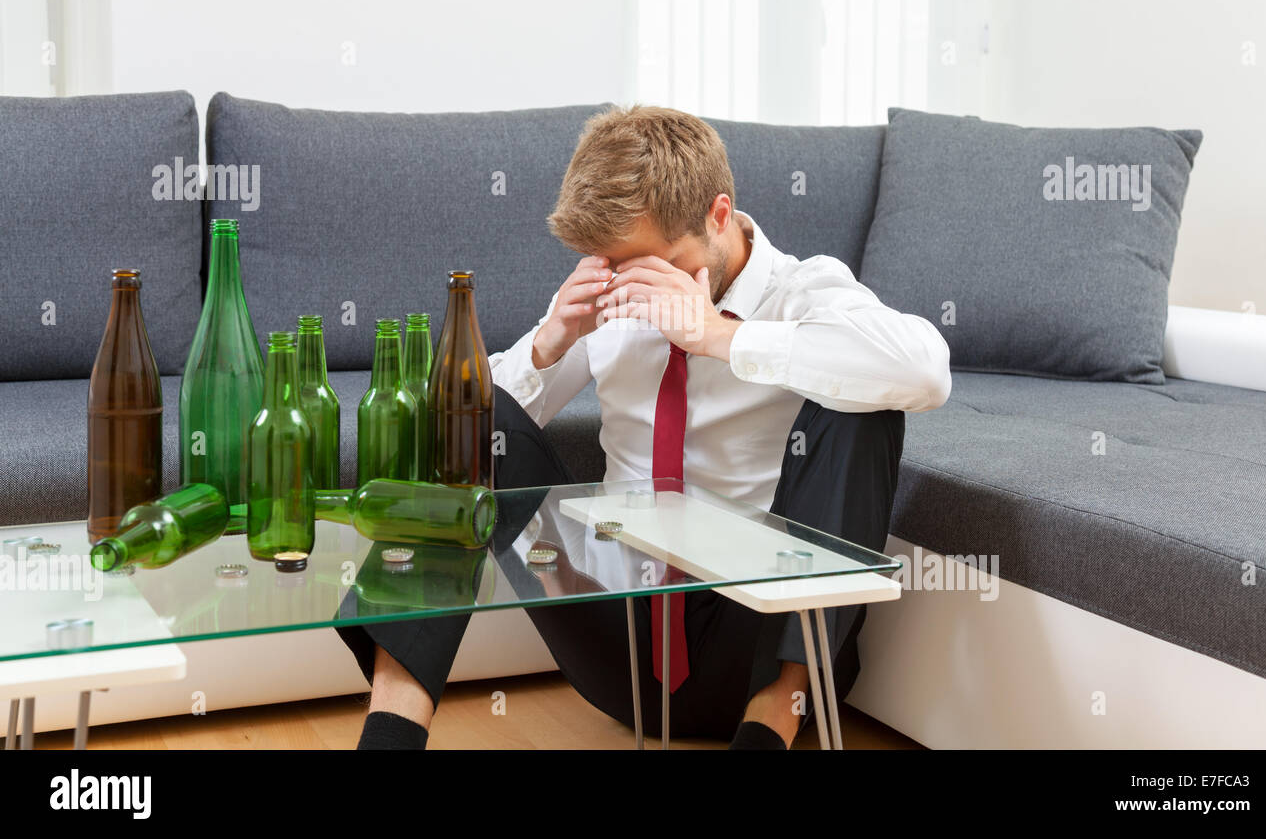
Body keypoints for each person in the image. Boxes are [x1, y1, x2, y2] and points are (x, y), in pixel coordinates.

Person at [335, 105, 951, 750]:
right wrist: (547, 346)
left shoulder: (801, 289)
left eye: (663, 266)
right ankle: (391, 734)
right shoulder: (610, 288)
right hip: (617, 635)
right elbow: (450, 438)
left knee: (864, 402)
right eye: (619, 266)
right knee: (473, 424)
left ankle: (771, 725)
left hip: (758, 644)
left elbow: (924, 371)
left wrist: (719, 336)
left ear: (719, 216)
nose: (640, 288)